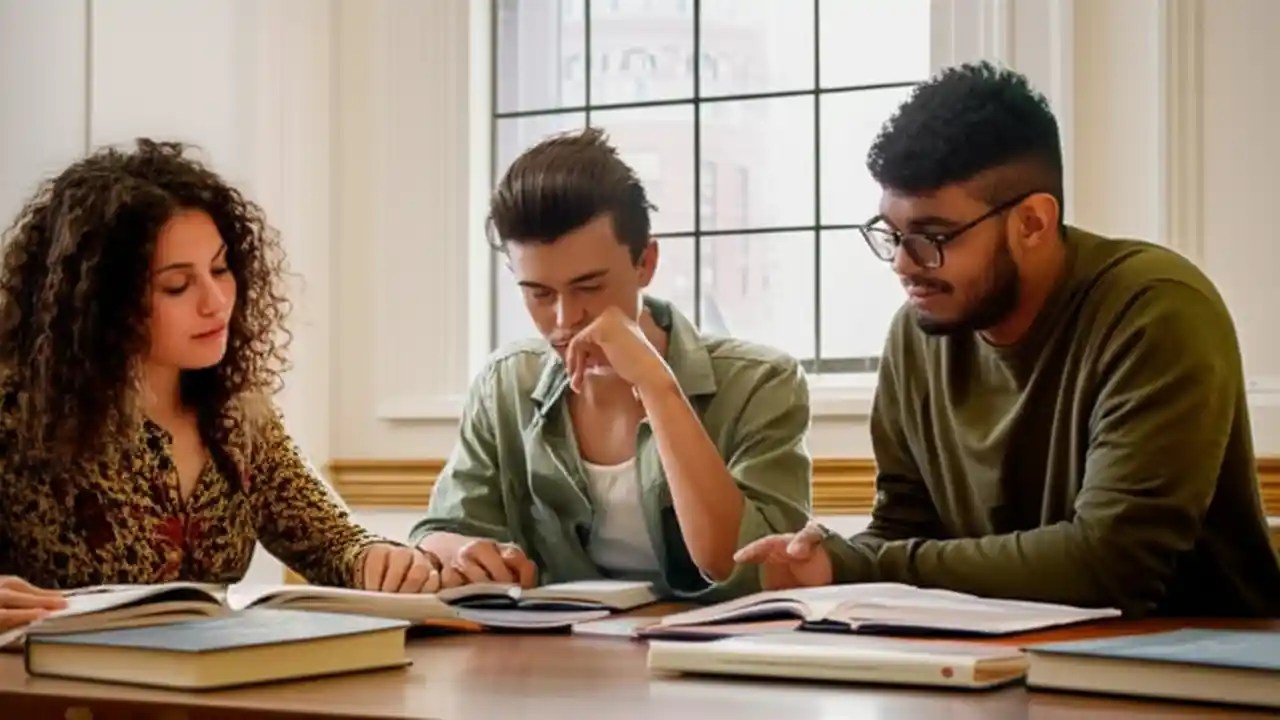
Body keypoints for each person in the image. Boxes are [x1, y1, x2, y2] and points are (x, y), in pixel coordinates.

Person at [735, 61, 1280, 617]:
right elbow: (905, 528)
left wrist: (866, 568)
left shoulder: (1157, 311)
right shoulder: (919, 332)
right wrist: (833, 564)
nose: (903, 263)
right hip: (1005, 658)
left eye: (933, 236)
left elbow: (1114, 566)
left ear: (1033, 224)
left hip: (1194, 669)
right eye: (893, 235)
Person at [0, 139, 440, 633]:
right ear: (101, 303)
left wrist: (379, 561)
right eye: (176, 286)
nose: (216, 302)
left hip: (202, 690)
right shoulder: (14, 409)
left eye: (220, 268)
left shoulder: (236, 415)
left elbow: (335, 543)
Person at [411, 128, 812, 602]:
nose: (564, 319)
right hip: (550, 662)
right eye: (539, 293)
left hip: (713, 660)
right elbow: (437, 532)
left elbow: (749, 565)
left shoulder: (762, 383)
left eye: (589, 286)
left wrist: (657, 387)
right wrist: (463, 552)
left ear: (646, 262)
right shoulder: (507, 384)